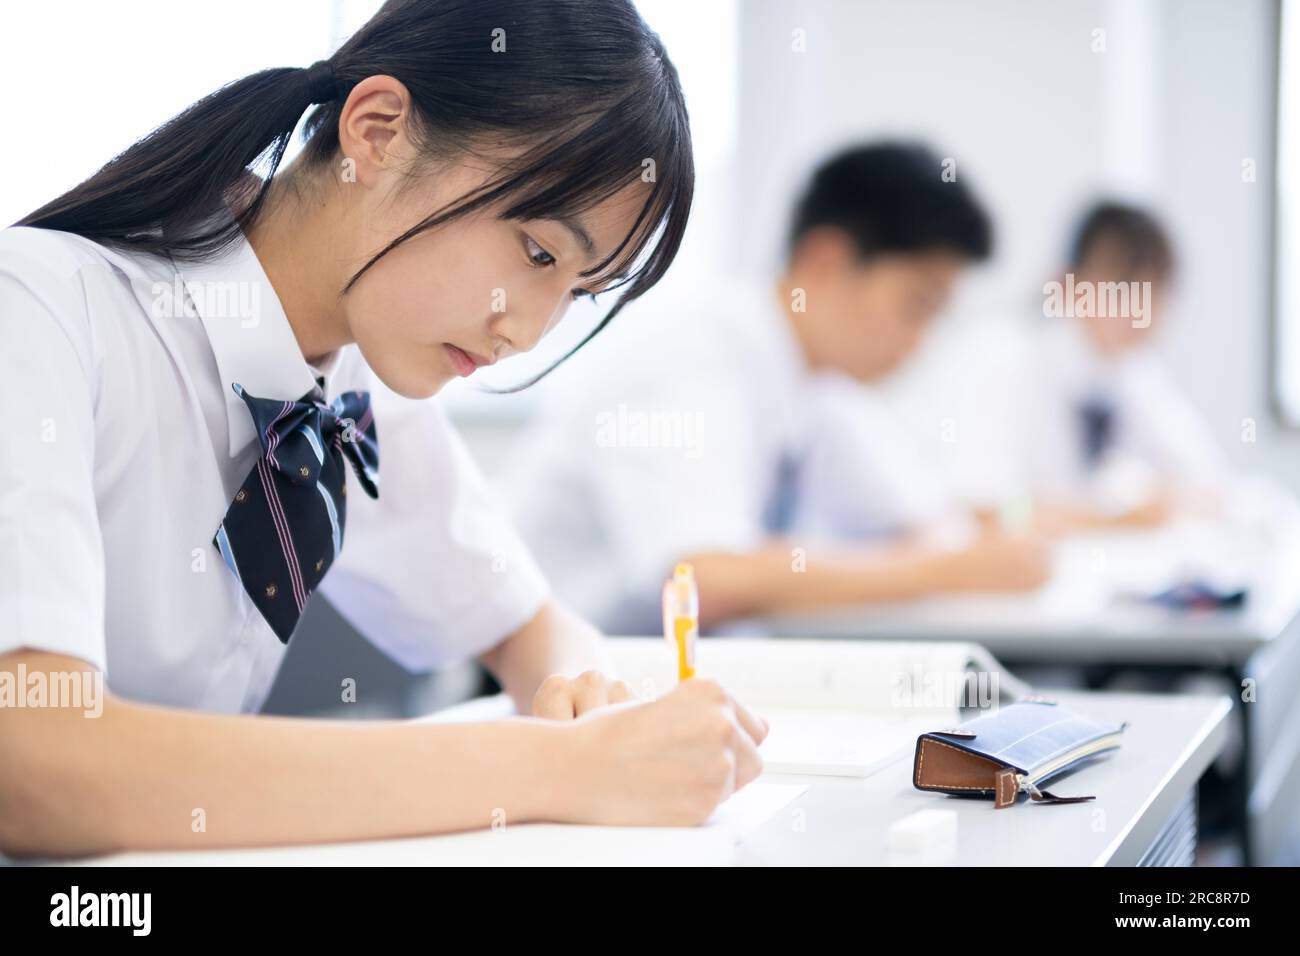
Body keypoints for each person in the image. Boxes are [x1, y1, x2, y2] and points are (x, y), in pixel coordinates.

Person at [0, 0, 771, 860]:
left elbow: (532, 630)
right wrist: (552, 767)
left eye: (579, 293)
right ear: (375, 131)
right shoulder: (38, 311)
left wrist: (602, 711)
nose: (527, 333)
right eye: (540, 253)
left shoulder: (362, 376)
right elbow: (33, 763)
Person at [508, 143, 1051, 635]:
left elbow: (930, 527)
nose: (922, 341)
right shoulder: (692, 353)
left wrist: (954, 558)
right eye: (917, 304)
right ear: (825, 261)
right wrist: (945, 573)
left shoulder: (818, 385)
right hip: (545, 691)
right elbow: (704, 581)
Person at [1016, 201, 1232, 529]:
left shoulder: (1136, 373)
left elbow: (1208, 482)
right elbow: (992, 510)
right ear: (1069, 284)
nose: (1141, 307)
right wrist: (1115, 517)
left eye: (1157, 289)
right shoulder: (1010, 360)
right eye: (1124, 286)